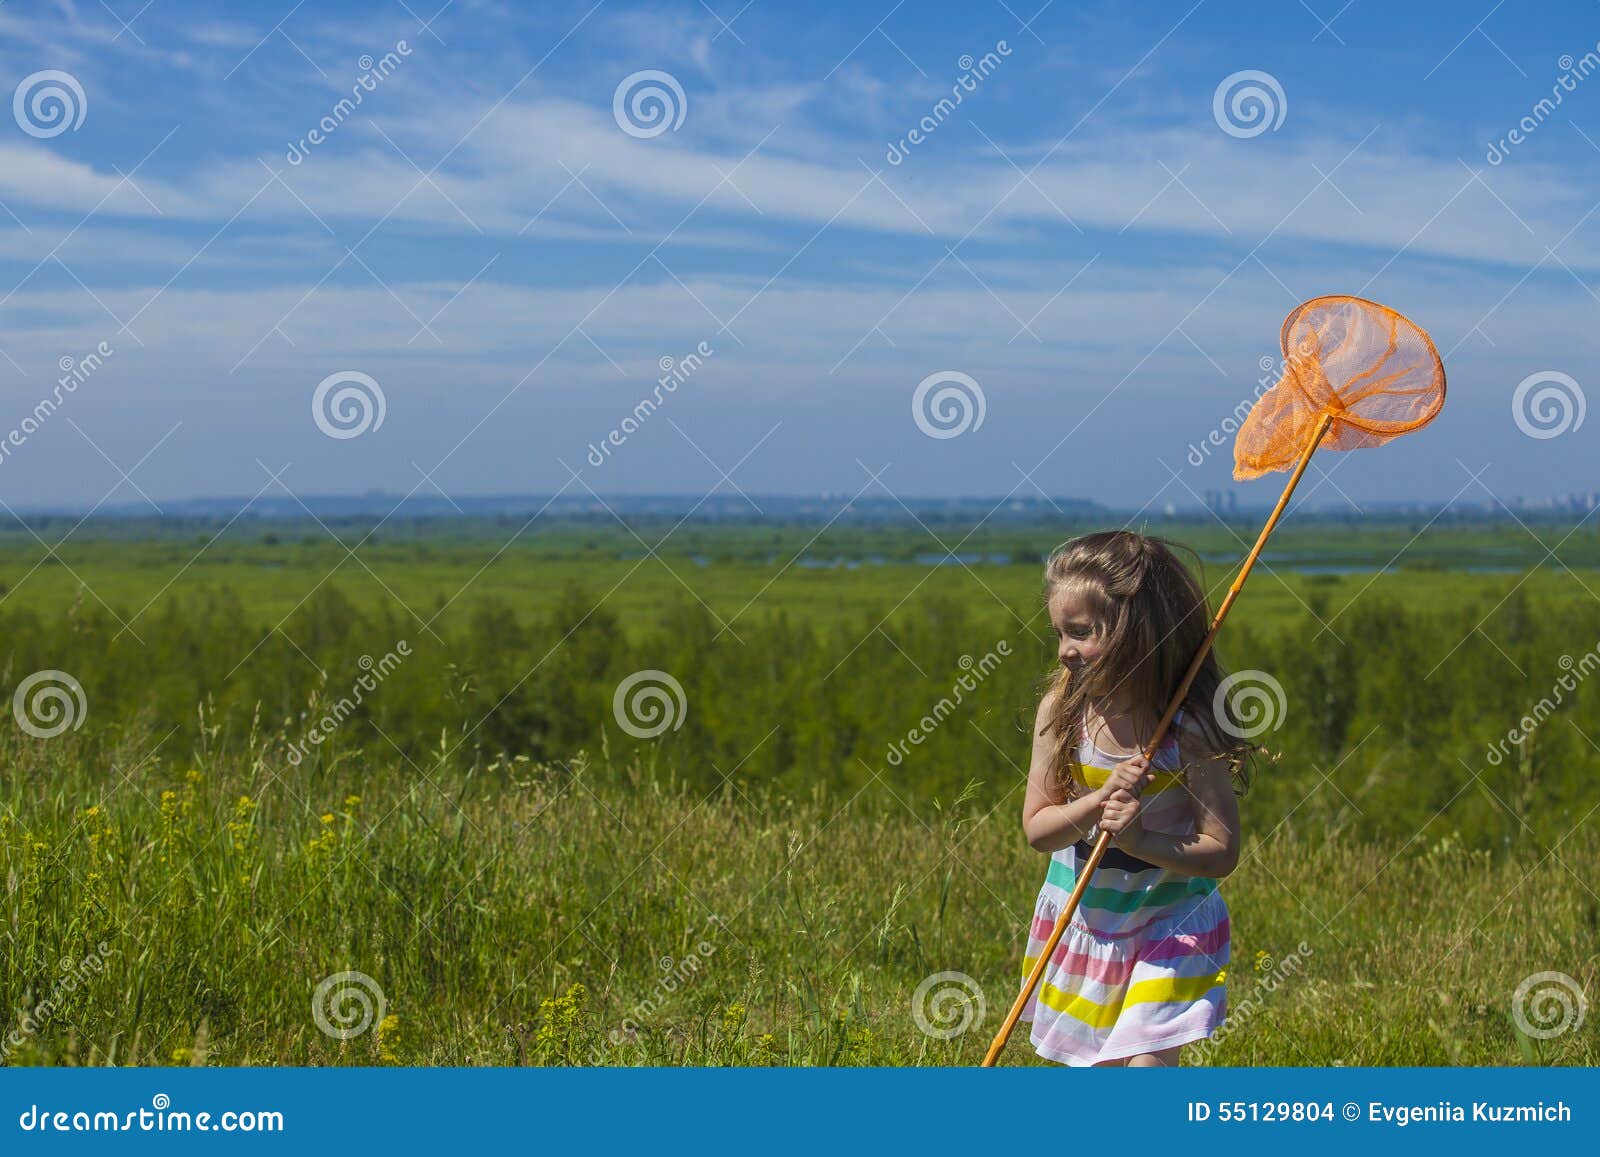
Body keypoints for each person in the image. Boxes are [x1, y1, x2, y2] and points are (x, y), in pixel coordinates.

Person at [1017, 530, 1254, 1067]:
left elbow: (1222, 850)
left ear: (1137, 634)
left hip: (1169, 922)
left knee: (1146, 1070)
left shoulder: (1188, 728)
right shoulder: (1063, 712)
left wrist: (1143, 840)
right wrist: (1096, 806)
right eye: (1059, 633)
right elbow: (1038, 829)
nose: (1064, 651)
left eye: (1080, 632)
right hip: (1089, 923)